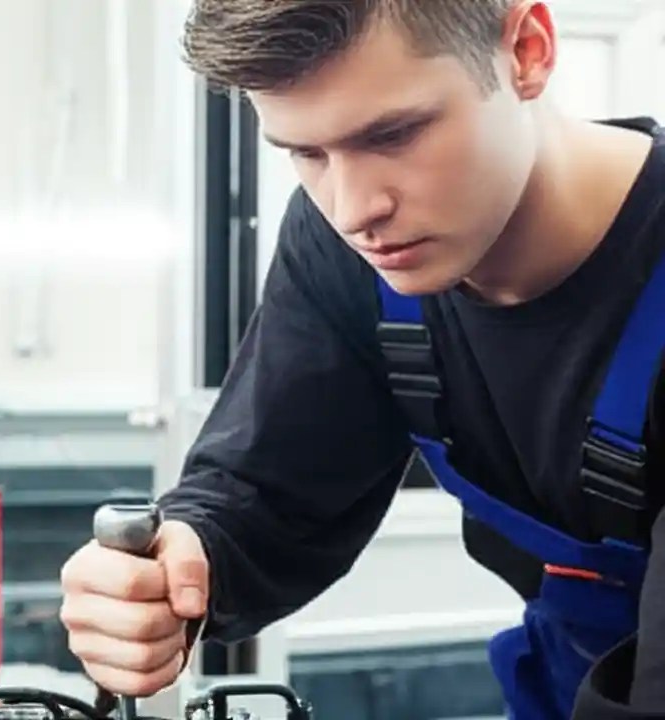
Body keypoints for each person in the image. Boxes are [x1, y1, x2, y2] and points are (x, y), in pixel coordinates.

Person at [58, 1, 665, 718]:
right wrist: (181, 565)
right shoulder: (348, 252)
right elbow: (269, 490)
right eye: (304, 153)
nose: (351, 209)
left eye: (396, 134)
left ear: (527, 52)